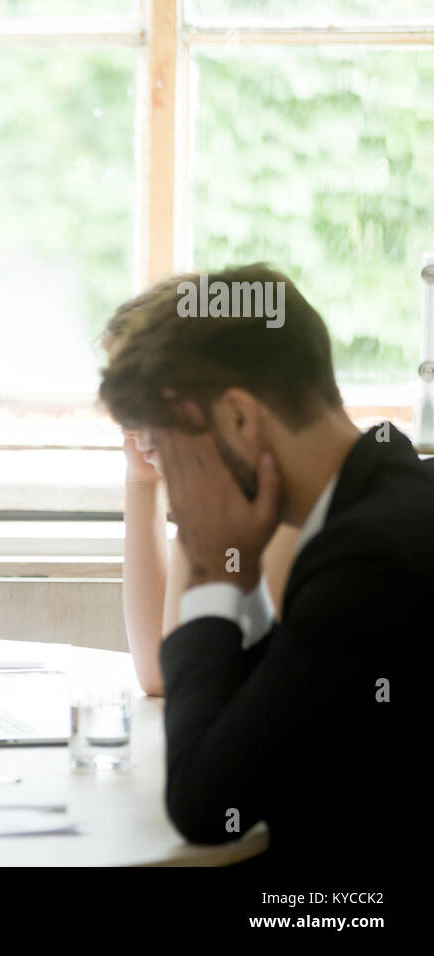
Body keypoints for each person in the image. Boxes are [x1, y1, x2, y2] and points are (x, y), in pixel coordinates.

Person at [98, 263, 425, 867]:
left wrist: (215, 571)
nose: (157, 459)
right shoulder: (378, 496)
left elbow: (208, 804)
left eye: (168, 439)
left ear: (241, 420)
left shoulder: (364, 561)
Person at [116, 428, 299, 696]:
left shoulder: (281, 498)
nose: (128, 428)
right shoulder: (218, 486)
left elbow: (190, 681)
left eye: (143, 401)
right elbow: (160, 674)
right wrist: (141, 478)